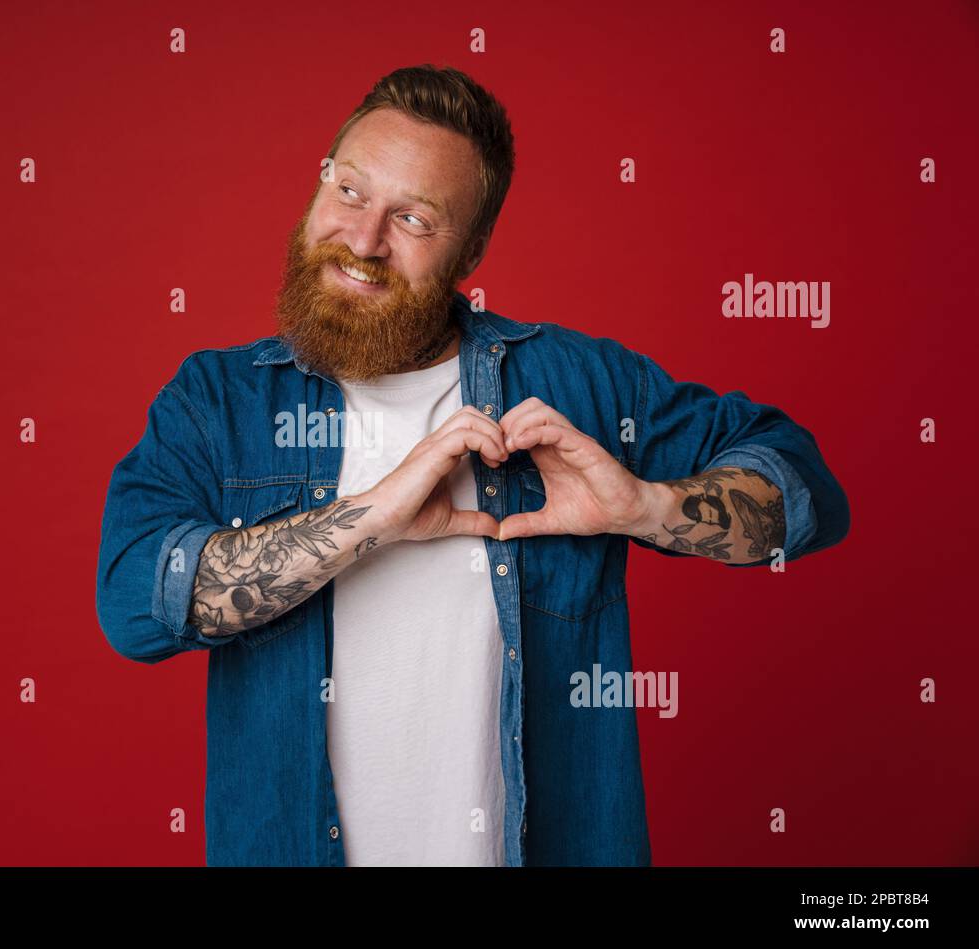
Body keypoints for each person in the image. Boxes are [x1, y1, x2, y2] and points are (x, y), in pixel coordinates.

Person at [95, 64, 849, 866]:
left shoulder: (578, 386)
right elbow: (134, 602)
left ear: (472, 247)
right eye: (349, 190)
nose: (363, 238)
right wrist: (372, 518)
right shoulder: (218, 400)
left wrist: (644, 508)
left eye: (414, 218)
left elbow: (805, 492)